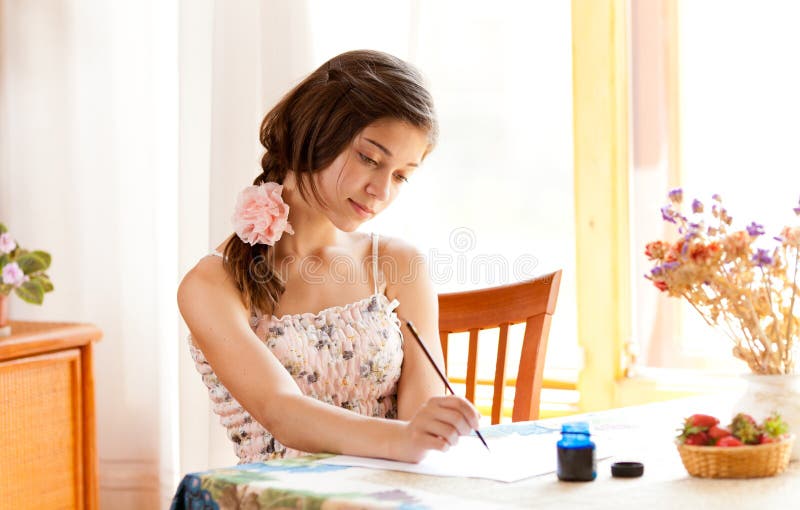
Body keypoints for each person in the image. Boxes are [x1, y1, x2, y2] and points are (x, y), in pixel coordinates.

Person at [177, 50, 480, 464]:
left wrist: (432, 428)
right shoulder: (212, 284)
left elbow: (420, 423)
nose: (381, 191)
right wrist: (404, 438)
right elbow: (282, 413)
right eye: (369, 158)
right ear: (313, 136)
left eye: (400, 176)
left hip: (390, 490)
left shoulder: (398, 265)